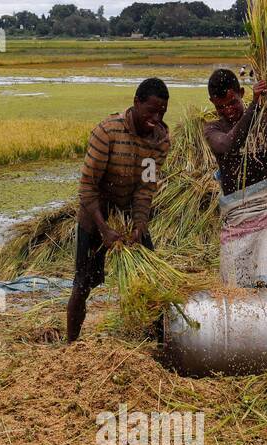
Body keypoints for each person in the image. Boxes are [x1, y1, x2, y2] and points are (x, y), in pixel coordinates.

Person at [67, 77, 170, 343]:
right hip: (96, 213)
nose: (156, 118)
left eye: (162, 113)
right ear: (136, 103)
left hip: (127, 214)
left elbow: (145, 189)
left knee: (150, 277)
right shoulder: (108, 133)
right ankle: (70, 346)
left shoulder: (158, 141)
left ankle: (157, 341)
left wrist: (138, 226)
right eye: (151, 111)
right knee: (84, 283)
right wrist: (104, 229)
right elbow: (88, 188)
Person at [204, 68, 267, 287]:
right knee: (234, 290)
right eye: (220, 106)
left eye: (232, 102)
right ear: (212, 102)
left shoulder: (265, 119)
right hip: (236, 218)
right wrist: (254, 106)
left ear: (241, 92)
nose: (228, 111)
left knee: (264, 284)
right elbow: (229, 145)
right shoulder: (213, 128)